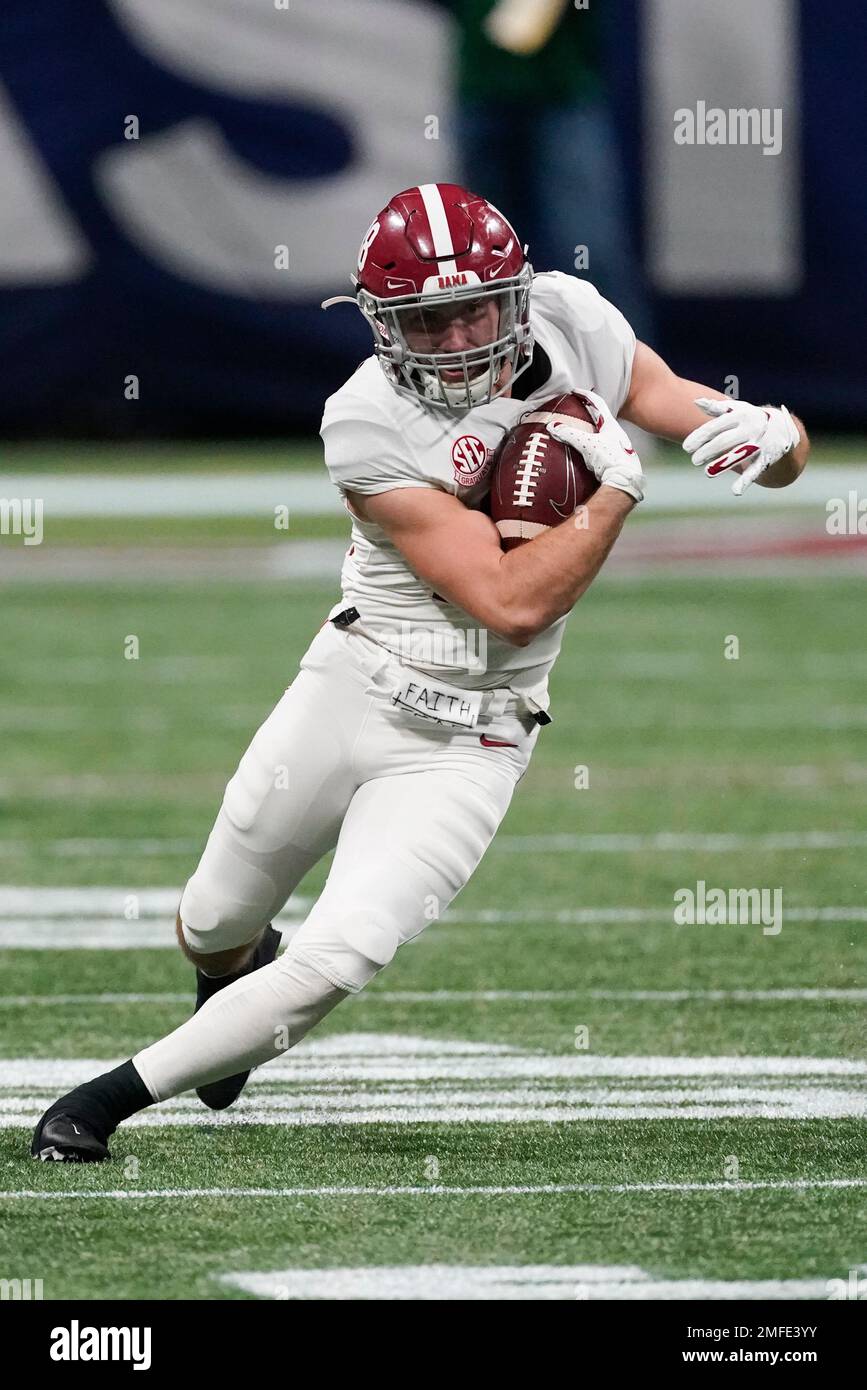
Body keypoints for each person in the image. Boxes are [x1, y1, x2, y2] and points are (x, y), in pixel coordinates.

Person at [31, 183, 808, 1160]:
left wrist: (776, 438)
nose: (452, 339)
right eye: (423, 321)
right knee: (211, 919)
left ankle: (98, 1104)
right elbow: (513, 599)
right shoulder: (364, 420)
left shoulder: (572, 320)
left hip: (476, 730)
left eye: (472, 309)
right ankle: (231, 982)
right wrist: (613, 498)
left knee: (344, 950)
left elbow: (718, 425)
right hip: (352, 680)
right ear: (382, 327)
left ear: (516, 296)